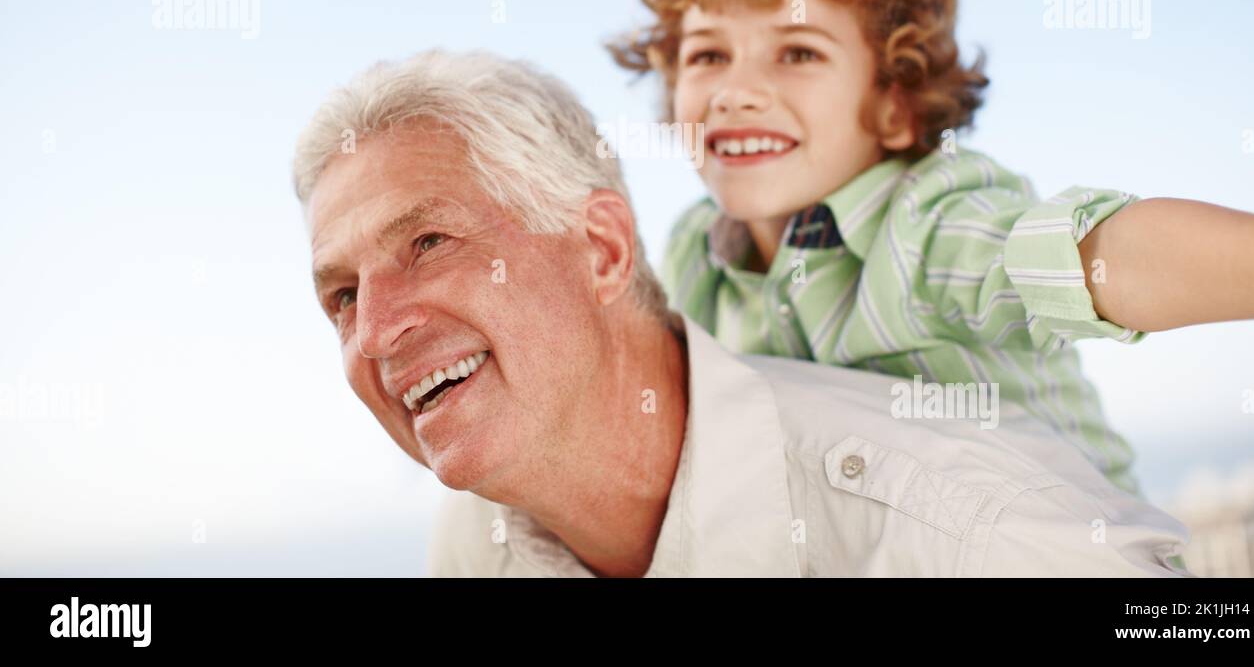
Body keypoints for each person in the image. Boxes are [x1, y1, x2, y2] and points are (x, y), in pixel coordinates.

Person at [293, 49, 1189, 576]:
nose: (375, 329)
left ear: (602, 250)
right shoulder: (478, 545)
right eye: (343, 294)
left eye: (429, 243)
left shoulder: (958, 528)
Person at [607, 0, 1254, 495]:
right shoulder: (695, 251)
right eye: (708, 54)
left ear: (895, 102)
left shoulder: (928, 222)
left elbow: (1102, 258)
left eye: (798, 52)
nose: (736, 90)